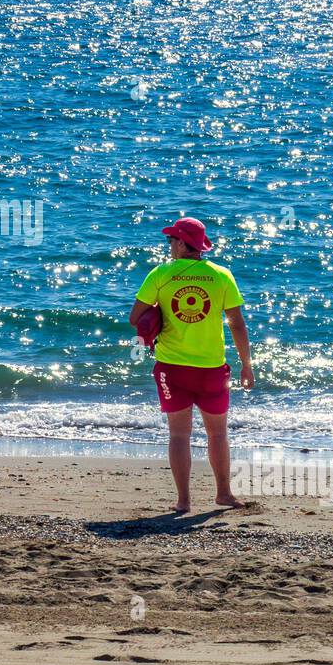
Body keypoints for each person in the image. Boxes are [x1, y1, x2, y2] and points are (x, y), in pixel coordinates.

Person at [129, 217, 254, 513]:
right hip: (212, 368)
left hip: (172, 368)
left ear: (183, 243)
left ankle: (183, 500)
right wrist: (246, 364)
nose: (169, 245)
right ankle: (224, 493)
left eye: (172, 240)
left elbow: (136, 318)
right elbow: (236, 323)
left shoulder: (160, 274)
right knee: (218, 433)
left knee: (179, 434)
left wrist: (159, 311)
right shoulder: (222, 275)